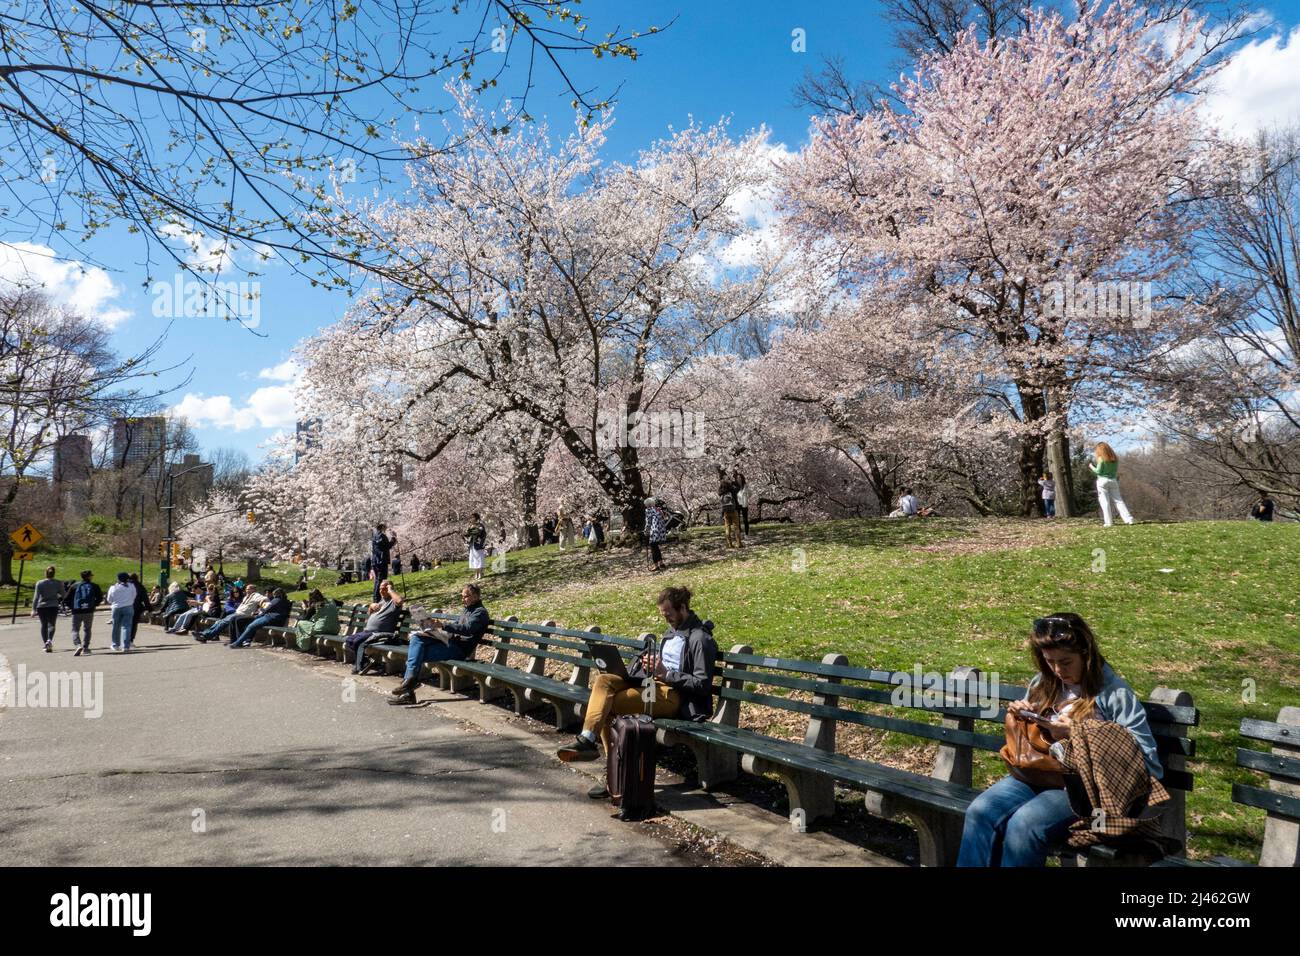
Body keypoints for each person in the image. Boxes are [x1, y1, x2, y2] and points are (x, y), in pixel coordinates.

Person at [957, 613, 1161, 867]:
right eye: (1049, 661)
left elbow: (1149, 762)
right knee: (980, 812)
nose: (1057, 670)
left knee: (1025, 824)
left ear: (1086, 654)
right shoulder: (1043, 682)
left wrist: (1080, 733)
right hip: (1038, 772)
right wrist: (1024, 715)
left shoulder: (1114, 693)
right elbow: (1031, 737)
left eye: (1066, 662)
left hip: (1084, 788)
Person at [558, 586, 718, 793]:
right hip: (651, 685)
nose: (666, 620)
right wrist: (649, 664)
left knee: (609, 705)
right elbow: (663, 666)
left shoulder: (700, 638)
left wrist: (666, 674)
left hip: (673, 696)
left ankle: (612, 774)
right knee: (604, 680)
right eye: (663, 615)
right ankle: (588, 738)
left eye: (669, 614)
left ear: (683, 608)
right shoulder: (671, 632)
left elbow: (702, 684)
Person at [388, 583, 490, 704]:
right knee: (416, 638)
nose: (463, 599)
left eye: (465, 596)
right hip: (450, 641)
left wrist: (443, 625)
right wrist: (436, 629)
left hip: (459, 649)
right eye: (462, 596)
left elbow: (467, 629)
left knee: (415, 655)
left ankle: (408, 691)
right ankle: (409, 685)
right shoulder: (467, 609)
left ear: (475, 596)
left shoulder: (480, 612)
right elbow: (458, 625)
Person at [348, 579, 405, 675]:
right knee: (349, 640)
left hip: (380, 633)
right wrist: (371, 606)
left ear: (390, 589)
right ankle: (367, 660)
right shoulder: (382, 601)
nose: (381, 591)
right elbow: (370, 613)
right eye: (380, 589)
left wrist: (390, 590)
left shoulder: (393, 602)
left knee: (359, 642)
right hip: (368, 631)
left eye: (384, 589)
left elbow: (399, 601)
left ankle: (359, 665)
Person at [1089, 442, 1134, 526]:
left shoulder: (1101, 459)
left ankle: (1108, 522)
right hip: (1113, 480)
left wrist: (1091, 466)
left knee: (1104, 502)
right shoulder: (1115, 458)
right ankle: (1129, 519)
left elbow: (1098, 471)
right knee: (1119, 500)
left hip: (1102, 481)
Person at [64, 570, 103, 656]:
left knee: (75, 629)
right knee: (87, 629)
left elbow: (66, 599)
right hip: (89, 610)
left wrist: (72, 607)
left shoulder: (74, 586)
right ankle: (85, 647)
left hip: (76, 610)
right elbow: (100, 598)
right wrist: (94, 605)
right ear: (89, 577)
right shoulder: (94, 586)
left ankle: (78, 644)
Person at [31, 565, 63, 652]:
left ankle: (45, 643)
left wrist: (33, 609)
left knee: (44, 625)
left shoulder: (40, 583)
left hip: (41, 606)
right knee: (51, 624)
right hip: (53, 605)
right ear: (54, 574)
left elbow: (36, 597)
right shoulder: (58, 583)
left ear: (45, 573)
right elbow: (63, 595)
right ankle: (49, 640)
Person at [106, 572, 137, 652]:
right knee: (127, 627)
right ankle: (126, 646)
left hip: (116, 607)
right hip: (128, 606)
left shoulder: (114, 587)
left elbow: (109, 599)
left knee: (116, 626)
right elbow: (134, 596)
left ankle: (115, 644)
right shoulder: (131, 586)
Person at [718, 470, 742, 548]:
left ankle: (729, 544)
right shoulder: (732, 491)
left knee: (727, 527)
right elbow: (739, 487)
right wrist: (733, 481)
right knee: (736, 527)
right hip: (733, 510)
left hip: (725, 512)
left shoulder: (721, 493)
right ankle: (739, 543)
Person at [369, 523, 393, 601]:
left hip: (375, 561)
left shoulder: (374, 536)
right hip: (381, 561)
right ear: (382, 527)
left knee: (377, 580)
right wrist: (393, 539)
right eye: (385, 528)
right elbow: (387, 546)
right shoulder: (381, 536)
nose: (385, 529)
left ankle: (376, 597)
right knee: (381, 579)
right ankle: (377, 598)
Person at [644, 497, 668, 572]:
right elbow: (664, 518)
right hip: (661, 531)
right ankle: (661, 563)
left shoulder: (648, 510)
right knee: (656, 547)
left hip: (654, 531)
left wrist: (646, 531)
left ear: (648, 505)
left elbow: (648, 522)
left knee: (653, 548)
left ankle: (656, 565)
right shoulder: (658, 509)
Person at [129, 573, 150, 647]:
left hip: (126, 606)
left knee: (125, 624)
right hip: (136, 607)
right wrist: (149, 608)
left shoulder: (126, 585)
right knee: (134, 624)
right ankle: (130, 640)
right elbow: (145, 599)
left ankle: (122, 640)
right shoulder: (140, 586)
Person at [465, 514, 487, 581]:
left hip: (478, 544)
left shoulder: (480, 525)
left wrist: (471, 531)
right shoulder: (471, 526)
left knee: (479, 558)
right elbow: (467, 534)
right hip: (472, 544)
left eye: (473, 517)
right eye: (471, 518)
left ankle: (480, 573)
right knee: (473, 558)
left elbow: (478, 532)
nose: (471, 519)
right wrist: (469, 530)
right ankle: (476, 573)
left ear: (476, 518)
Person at [731, 468, 750, 535]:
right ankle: (739, 533)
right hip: (737, 504)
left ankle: (747, 534)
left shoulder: (745, 486)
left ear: (742, 478)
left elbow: (749, 494)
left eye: (740, 477)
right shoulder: (734, 486)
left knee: (745, 520)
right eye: (737, 478)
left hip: (744, 504)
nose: (739, 479)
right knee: (737, 520)